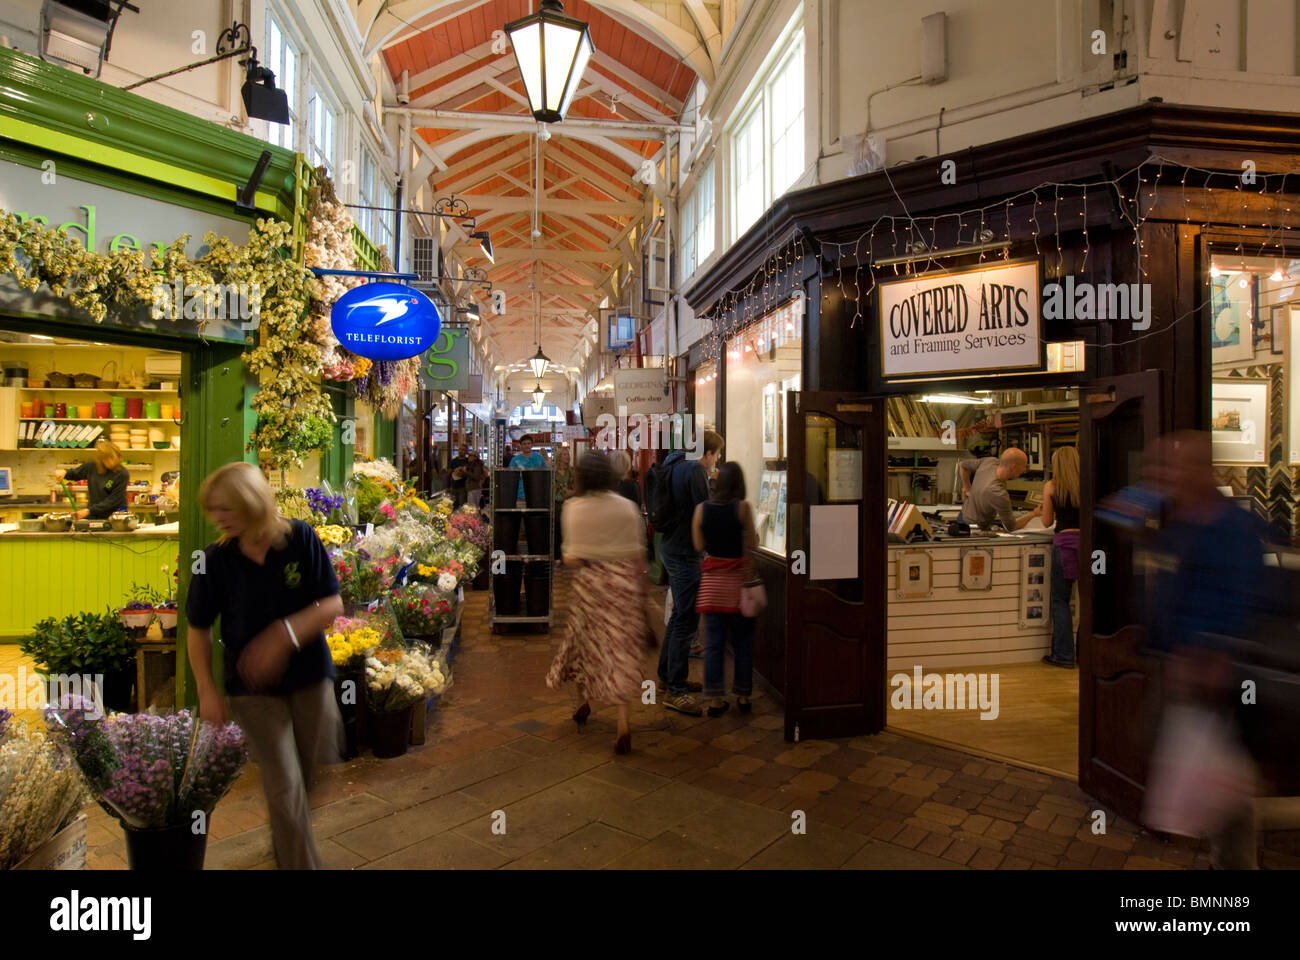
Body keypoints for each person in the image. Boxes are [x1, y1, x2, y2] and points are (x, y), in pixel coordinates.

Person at [185, 462, 345, 870]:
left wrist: (283, 635)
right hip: (251, 689)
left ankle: (288, 842)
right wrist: (207, 690)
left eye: (226, 508)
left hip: (310, 677)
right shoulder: (213, 562)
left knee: (307, 780)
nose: (218, 519)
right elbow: (198, 629)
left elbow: (332, 604)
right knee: (284, 785)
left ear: (253, 503)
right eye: (213, 510)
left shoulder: (299, 540)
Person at [1126, 431, 1269, 869]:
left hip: (1213, 675)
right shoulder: (1179, 523)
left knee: (1224, 782)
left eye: (1170, 467)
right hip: (1176, 666)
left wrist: (1213, 653)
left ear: (1202, 470)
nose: (1160, 476)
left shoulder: (1233, 527)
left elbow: (1247, 597)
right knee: (1187, 762)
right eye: (1155, 468)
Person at [546, 453, 647, 754]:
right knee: (620, 650)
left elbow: (570, 557)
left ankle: (583, 702)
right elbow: (639, 556)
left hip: (591, 585)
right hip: (624, 585)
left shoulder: (573, 507)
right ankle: (623, 724)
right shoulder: (626, 508)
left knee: (583, 645)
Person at [656, 430, 725, 716]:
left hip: (671, 547)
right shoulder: (695, 470)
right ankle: (676, 690)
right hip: (686, 552)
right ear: (707, 453)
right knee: (685, 621)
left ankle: (668, 676)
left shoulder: (673, 463)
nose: (717, 460)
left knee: (679, 617)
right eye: (717, 454)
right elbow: (703, 512)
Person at [692, 461, 759, 717]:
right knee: (743, 642)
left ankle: (715, 702)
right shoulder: (743, 509)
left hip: (712, 587)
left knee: (714, 644)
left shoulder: (701, 510)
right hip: (739, 587)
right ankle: (743, 696)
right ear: (740, 483)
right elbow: (752, 543)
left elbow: (698, 545)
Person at [1040, 446, 1081, 667]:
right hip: (1093, 550)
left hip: (1064, 545)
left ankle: (1064, 656)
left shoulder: (1052, 486)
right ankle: (1088, 653)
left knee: (1061, 600)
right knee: (1092, 601)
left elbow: (1046, 522)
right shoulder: (1089, 483)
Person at [958, 448, 1039, 531]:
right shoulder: (998, 493)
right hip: (975, 529)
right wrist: (1034, 514)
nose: (1024, 470)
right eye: (1023, 466)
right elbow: (1012, 527)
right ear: (1013, 467)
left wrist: (967, 488)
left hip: (963, 516)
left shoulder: (990, 462)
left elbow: (962, 465)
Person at [53, 439, 129, 519]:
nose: (110, 462)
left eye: (112, 458)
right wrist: (64, 472)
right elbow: (76, 473)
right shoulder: (92, 466)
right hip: (94, 513)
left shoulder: (122, 474)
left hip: (115, 515)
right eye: (106, 459)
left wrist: (89, 511)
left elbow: (113, 500)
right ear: (101, 459)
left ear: (118, 457)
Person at [508, 435, 548, 503]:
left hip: (537, 495)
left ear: (532, 445)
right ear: (520, 445)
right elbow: (510, 480)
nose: (526, 446)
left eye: (529, 443)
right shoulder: (514, 460)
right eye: (524, 444)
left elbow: (545, 477)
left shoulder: (540, 458)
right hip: (520, 496)